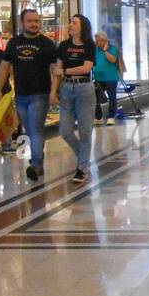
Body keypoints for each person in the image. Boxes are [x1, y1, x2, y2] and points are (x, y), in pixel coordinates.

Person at [0, 7, 58, 181]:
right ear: (22, 22)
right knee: (31, 130)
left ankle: (36, 164)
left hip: (40, 94)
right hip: (21, 95)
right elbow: (4, 67)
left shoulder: (47, 44)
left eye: (37, 21)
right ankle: (38, 162)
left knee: (36, 129)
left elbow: (55, 70)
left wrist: (54, 92)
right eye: (30, 21)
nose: (34, 24)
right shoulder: (14, 43)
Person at [51, 14, 97, 183]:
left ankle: (82, 168)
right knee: (65, 130)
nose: (70, 25)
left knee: (85, 131)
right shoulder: (63, 46)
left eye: (74, 23)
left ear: (82, 27)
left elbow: (86, 68)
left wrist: (64, 72)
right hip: (66, 88)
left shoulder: (89, 46)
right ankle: (84, 160)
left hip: (84, 88)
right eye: (70, 22)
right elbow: (57, 69)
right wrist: (53, 92)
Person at [93, 31, 121, 126]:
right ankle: (98, 117)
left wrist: (105, 51)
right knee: (96, 98)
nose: (96, 43)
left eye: (98, 41)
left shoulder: (113, 49)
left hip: (110, 78)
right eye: (95, 41)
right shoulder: (95, 50)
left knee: (111, 97)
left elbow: (113, 60)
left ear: (104, 41)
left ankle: (111, 116)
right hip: (98, 78)